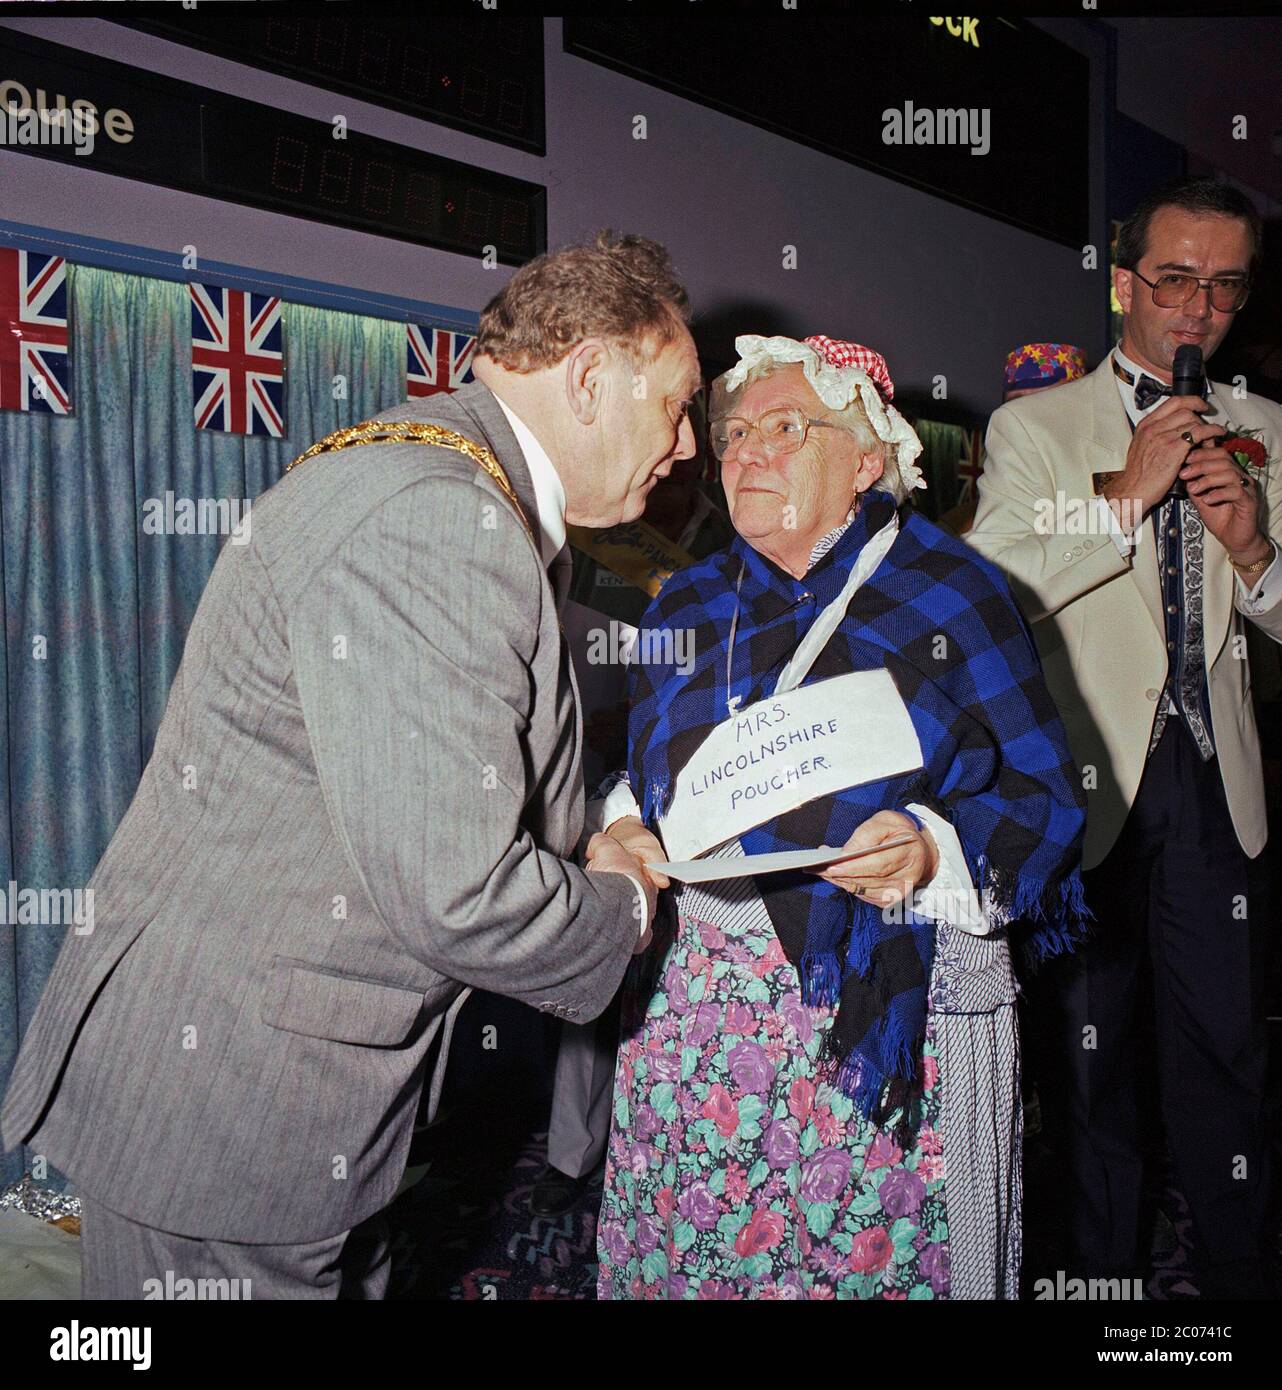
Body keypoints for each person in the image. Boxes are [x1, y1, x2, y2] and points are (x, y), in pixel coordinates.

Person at [0, 230, 699, 1298]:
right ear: (593, 377)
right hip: (235, 1118)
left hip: (288, 1102)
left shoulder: (445, 484)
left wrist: (596, 817)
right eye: (679, 402)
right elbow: (457, 890)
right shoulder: (438, 516)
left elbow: (467, 767)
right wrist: (623, 899)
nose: (689, 444)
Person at [587, 333, 1088, 1299]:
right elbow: (648, 775)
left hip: (880, 1009)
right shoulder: (683, 601)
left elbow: (1045, 801)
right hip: (706, 1025)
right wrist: (619, 825)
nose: (746, 454)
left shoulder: (952, 590)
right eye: (733, 434)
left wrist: (931, 852)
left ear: (866, 460)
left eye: (786, 428)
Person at [967, 176, 1282, 1299]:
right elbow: (991, 594)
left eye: (1225, 287)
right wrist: (1123, 496)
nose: (1198, 310)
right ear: (1121, 284)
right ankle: (1099, 1286)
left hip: (1217, 791)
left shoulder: (1269, 433)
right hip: (1087, 782)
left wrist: (1255, 554)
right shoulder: (1032, 429)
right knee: (1092, 1064)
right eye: (1176, 280)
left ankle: (1241, 1280)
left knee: (1229, 1055)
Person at [534, 454, 734, 1218]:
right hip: (590, 765)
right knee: (601, 944)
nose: (670, 473)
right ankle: (568, 1153)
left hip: (689, 772)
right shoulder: (598, 527)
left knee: (663, 965)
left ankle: (666, 1147)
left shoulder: (728, 539)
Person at [937, 343, 1086, 538]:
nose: (1028, 420)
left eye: (1045, 404)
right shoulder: (957, 527)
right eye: (1016, 405)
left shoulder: (1119, 501)